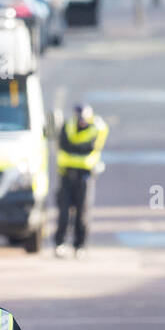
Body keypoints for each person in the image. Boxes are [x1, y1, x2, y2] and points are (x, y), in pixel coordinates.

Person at [53, 104, 108, 258]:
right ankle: (60, 243)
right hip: (66, 174)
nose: (82, 121)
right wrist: (78, 149)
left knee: (82, 213)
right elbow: (65, 145)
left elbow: (90, 147)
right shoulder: (68, 126)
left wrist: (76, 148)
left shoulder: (96, 129)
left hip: (84, 176)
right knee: (63, 212)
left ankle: (80, 246)